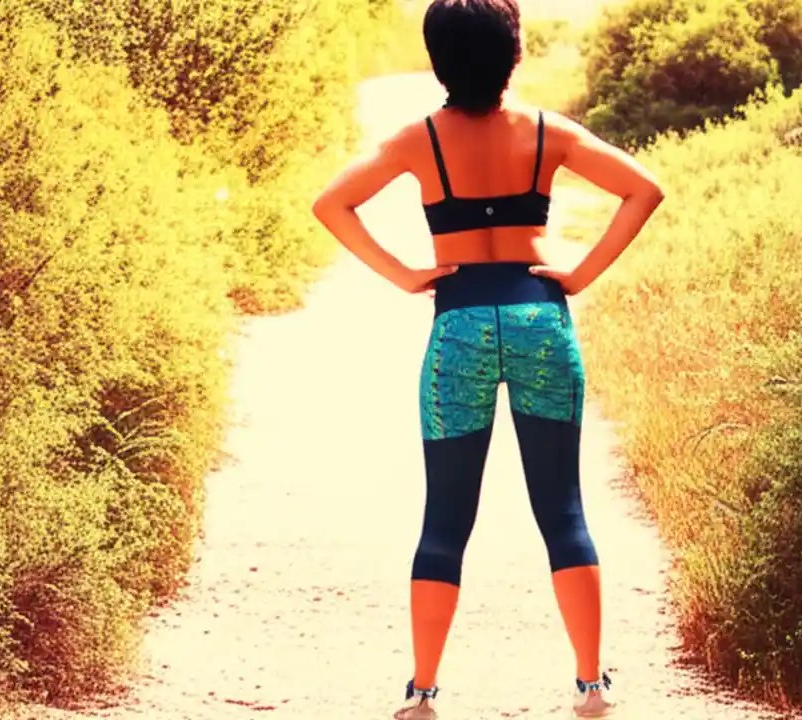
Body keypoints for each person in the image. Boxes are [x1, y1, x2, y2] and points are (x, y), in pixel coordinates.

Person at [311, 0, 664, 717]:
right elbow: (643, 189)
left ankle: (424, 691)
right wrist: (580, 274)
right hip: (540, 319)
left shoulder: (419, 140)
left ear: (438, 59)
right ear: (515, 53)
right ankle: (592, 685)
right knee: (563, 511)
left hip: (461, 323)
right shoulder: (546, 132)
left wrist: (408, 275)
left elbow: (331, 204)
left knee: (445, 518)